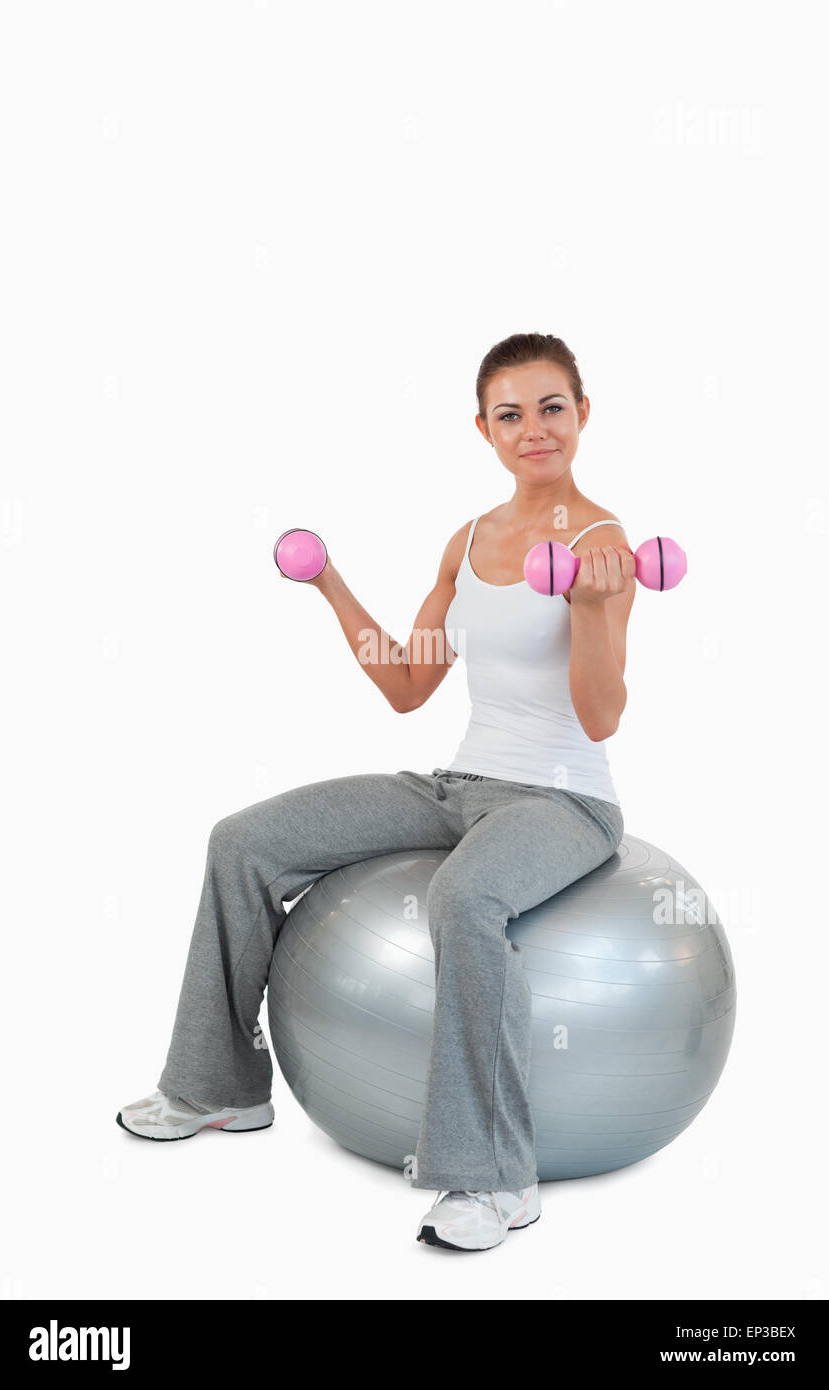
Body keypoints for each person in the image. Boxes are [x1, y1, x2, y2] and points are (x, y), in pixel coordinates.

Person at [116, 331, 635, 1253]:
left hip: (563, 800)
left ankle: (494, 1178)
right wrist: (329, 583)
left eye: (552, 407)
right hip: (458, 783)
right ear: (484, 428)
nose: (534, 429)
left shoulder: (602, 545)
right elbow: (407, 682)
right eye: (510, 414)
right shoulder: (469, 540)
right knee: (242, 839)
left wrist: (594, 609)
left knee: (466, 895)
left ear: (583, 414)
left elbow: (600, 719)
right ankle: (218, 1086)